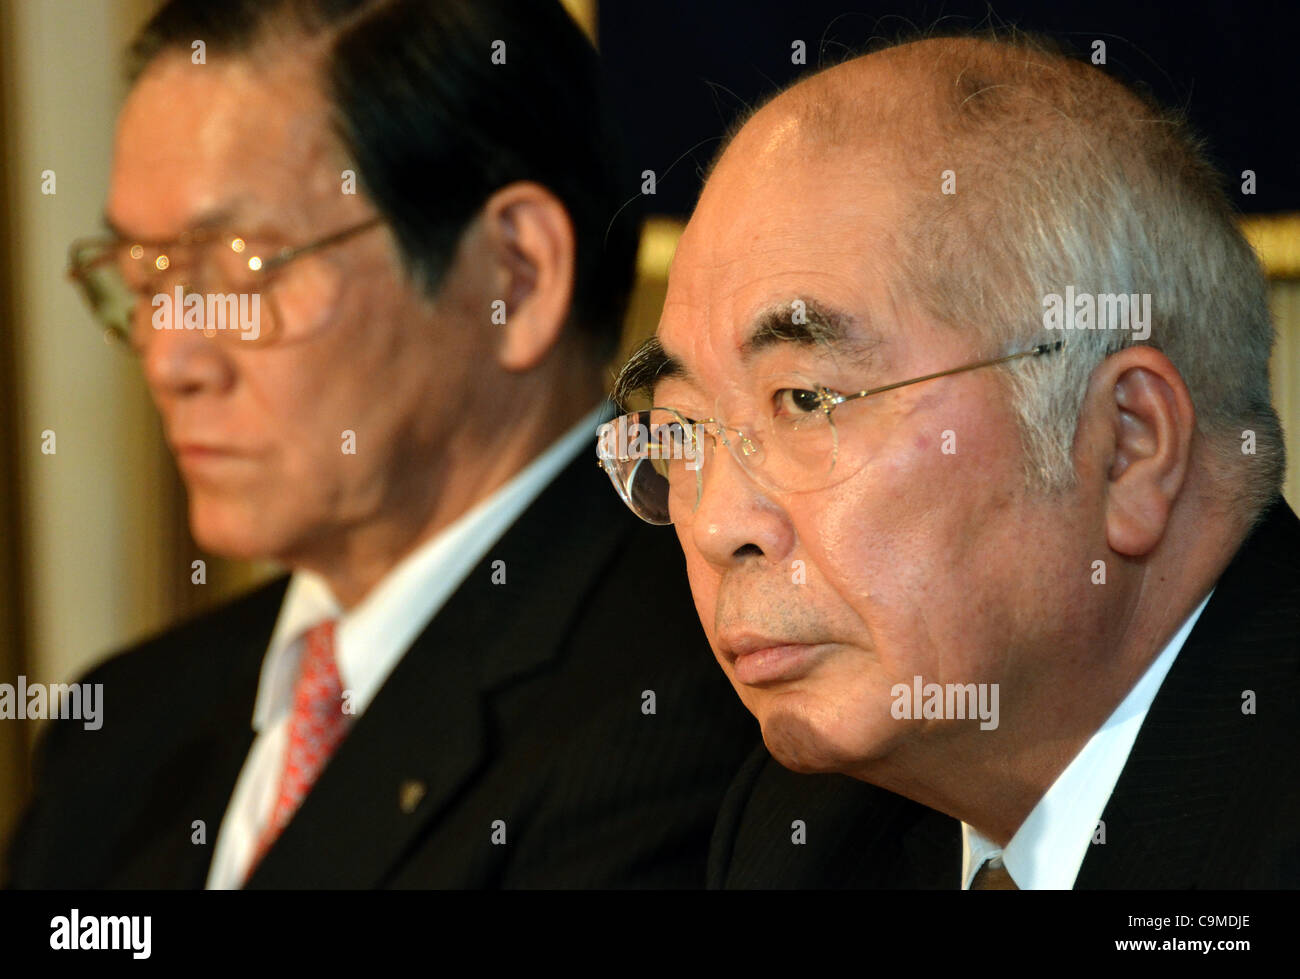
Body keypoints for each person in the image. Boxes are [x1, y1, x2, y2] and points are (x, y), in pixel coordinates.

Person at [7, 0, 754, 889]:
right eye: (144, 275)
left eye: (242, 267)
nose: (170, 356)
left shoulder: (702, 706)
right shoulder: (124, 725)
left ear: (512, 275)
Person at [600, 32, 1297, 888]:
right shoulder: (804, 832)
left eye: (807, 401)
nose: (713, 526)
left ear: (1127, 445)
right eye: (683, 426)